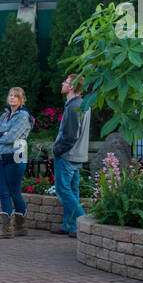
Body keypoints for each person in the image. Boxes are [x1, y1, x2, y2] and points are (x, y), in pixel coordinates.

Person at [0, 87, 34, 239]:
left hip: (17, 156)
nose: (12, 98)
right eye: (11, 95)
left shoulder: (23, 116)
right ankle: (8, 228)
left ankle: (20, 227)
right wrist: (1, 133)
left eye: (16, 96)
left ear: (21, 99)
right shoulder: (5, 115)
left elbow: (12, 137)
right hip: (1, 156)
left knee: (13, 191)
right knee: (3, 191)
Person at [50, 74, 91, 236]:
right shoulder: (83, 104)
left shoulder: (74, 106)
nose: (62, 83)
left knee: (63, 190)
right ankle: (70, 226)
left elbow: (70, 136)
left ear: (72, 86)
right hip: (77, 156)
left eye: (65, 82)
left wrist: (57, 150)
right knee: (73, 191)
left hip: (67, 156)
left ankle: (84, 222)